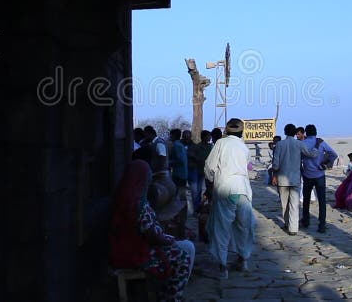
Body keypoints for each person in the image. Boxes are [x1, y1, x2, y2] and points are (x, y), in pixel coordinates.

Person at [109, 159, 195, 302]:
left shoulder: (122, 201)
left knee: (184, 247)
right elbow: (152, 236)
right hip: (137, 254)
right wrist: (167, 239)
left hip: (123, 251)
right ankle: (172, 296)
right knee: (183, 255)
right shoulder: (137, 206)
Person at [203, 118, 256, 279]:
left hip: (225, 187)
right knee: (244, 225)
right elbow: (247, 166)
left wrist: (211, 182)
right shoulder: (243, 146)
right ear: (241, 131)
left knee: (221, 227)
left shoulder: (220, 143)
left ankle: (223, 267)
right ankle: (243, 259)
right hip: (243, 189)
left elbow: (209, 167)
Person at [270, 123, 319, 235]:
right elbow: (310, 154)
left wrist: (274, 175)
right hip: (295, 178)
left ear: (285, 132)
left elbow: (275, 164)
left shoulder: (279, 145)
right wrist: (317, 148)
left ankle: (287, 223)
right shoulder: (299, 144)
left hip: (282, 179)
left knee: (284, 204)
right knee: (294, 204)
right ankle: (293, 228)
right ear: (294, 133)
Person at [299, 124, 337, 233]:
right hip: (320, 174)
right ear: (316, 132)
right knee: (322, 200)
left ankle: (306, 221)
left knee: (306, 200)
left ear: (306, 133)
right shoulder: (321, 143)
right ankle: (322, 225)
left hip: (307, 174)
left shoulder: (302, 144)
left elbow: (298, 158)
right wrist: (326, 164)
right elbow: (333, 154)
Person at [187, 130, 212, 215]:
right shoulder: (197, 147)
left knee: (201, 190)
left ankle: (200, 208)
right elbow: (192, 157)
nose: (210, 138)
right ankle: (196, 209)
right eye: (208, 136)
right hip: (197, 170)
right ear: (204, 137)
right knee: (196, 191)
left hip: (206, 172)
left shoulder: (210, 147)